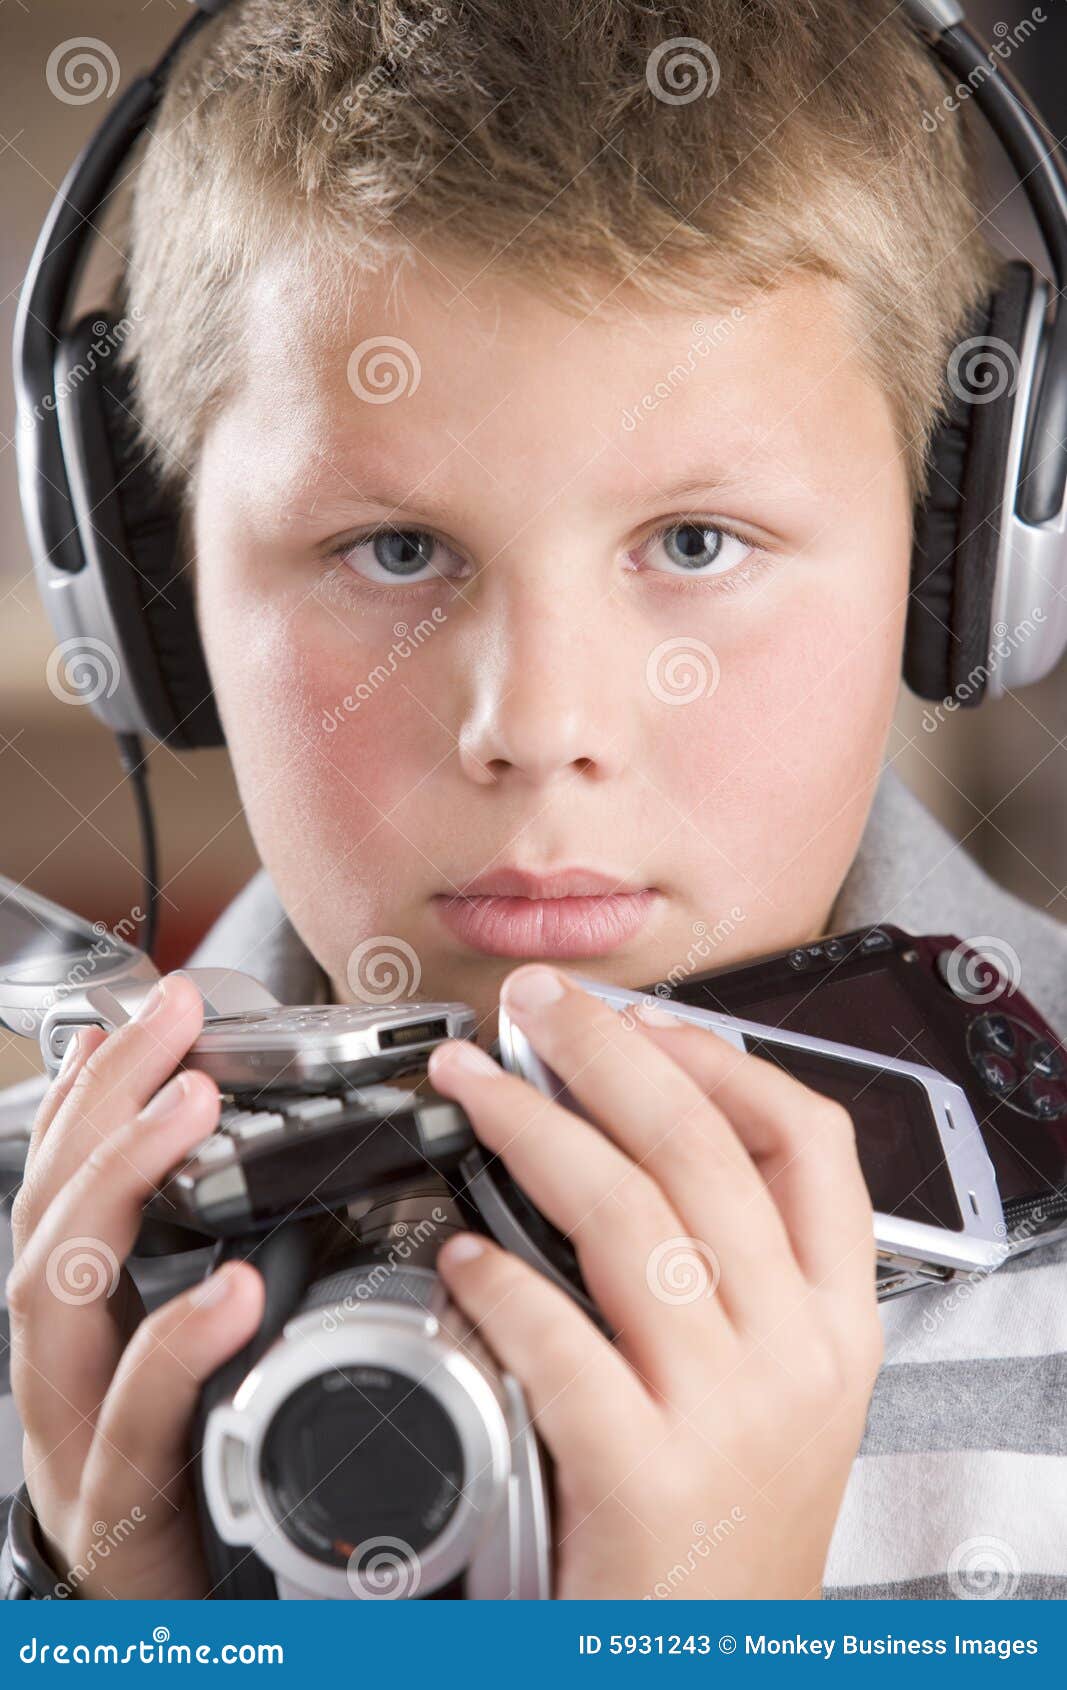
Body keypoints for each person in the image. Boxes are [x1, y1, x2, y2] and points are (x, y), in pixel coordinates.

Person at [3, 0, 1067, 1601]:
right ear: (153, 598)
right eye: (397, 550)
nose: (538, 727)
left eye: (696, 541)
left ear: (962, 561)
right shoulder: (49, 1286)